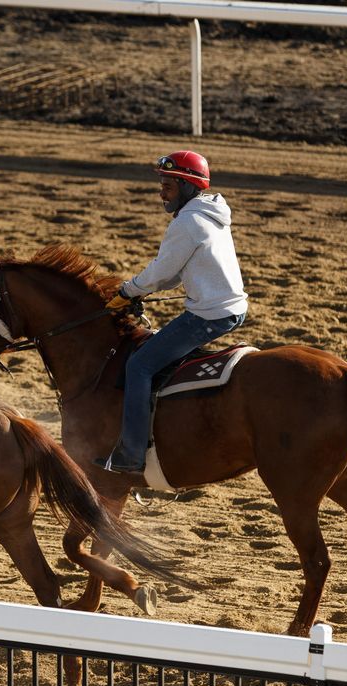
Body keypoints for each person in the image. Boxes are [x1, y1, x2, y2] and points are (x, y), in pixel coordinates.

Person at [95, 150, 248, 474]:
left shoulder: (189, 223)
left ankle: (132, 456)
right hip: (230, 307)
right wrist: (140, 290)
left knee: (139, 366)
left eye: (168, 184)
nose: (161, 191)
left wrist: (127, 291)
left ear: (187, 186)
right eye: (162, 183)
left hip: (209, 314)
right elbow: (177, 272)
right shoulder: (206, 214)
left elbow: (162, 271)